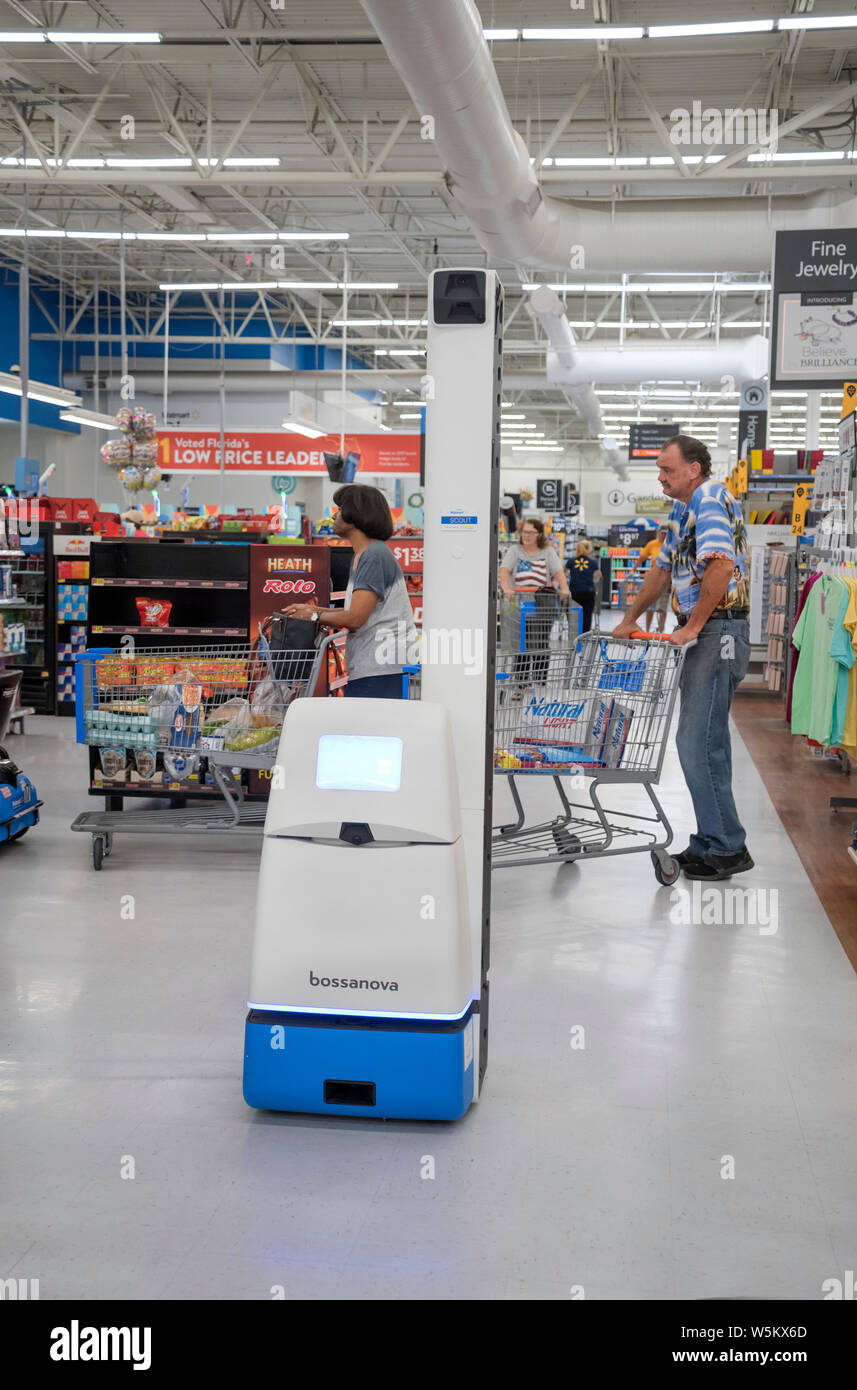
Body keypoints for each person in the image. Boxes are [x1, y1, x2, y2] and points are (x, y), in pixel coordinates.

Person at [613, 435, 752, 881]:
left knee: (697, 743)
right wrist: (628, 617)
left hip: (719, 631)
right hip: (706, 633)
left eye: (668, 469)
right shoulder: (681, 508)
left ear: (694, 468)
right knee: (702, 742)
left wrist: (692, 626)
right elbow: (662, 569)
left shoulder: (710, 498)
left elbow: (721, 565)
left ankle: (727, 848)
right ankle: (712, 841)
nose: (661, 476)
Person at [282, 483, 416, 698]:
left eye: (341, 509)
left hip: (380, 668)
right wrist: (311, 609)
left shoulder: (374, 556)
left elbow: (355, 618)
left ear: (357, 515)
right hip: (374, 665)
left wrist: (315, 615)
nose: (335, 515)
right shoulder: (364, 554)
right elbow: (359, 612)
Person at [499, 518, 570, 685]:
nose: (526, 535)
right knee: (521, 644)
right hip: (519, 604)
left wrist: (564, 588)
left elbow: (558, 572)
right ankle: (521, 683)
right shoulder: (515, 550)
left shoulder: (547, 551)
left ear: (539, 534)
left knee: (540, 643)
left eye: (530, 532)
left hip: (542, 604)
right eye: (524, 532)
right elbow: (504, 571)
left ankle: (540, 681)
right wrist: (506, 588)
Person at [628, 525, 669, 632]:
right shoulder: (652, 545)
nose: (663, 535)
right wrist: (633, 569)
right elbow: (642, 558)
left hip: (666, 581)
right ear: (658, 533)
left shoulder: (670, 545)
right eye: (662, 533)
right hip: (653, 580)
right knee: (650, 606)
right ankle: (647, 630)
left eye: (666, 533)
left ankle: (661, 629)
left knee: (662, 607)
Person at [565, 538, 602, 634]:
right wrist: (588, 576)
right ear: (589, 549)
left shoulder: (571, 561)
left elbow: (563, 571)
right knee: (587, 615)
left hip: (575, 592)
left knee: (574, 614)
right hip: (588, 591)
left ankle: (574, 633)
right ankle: (585, 635)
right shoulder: (593, 561)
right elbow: (598, 574)